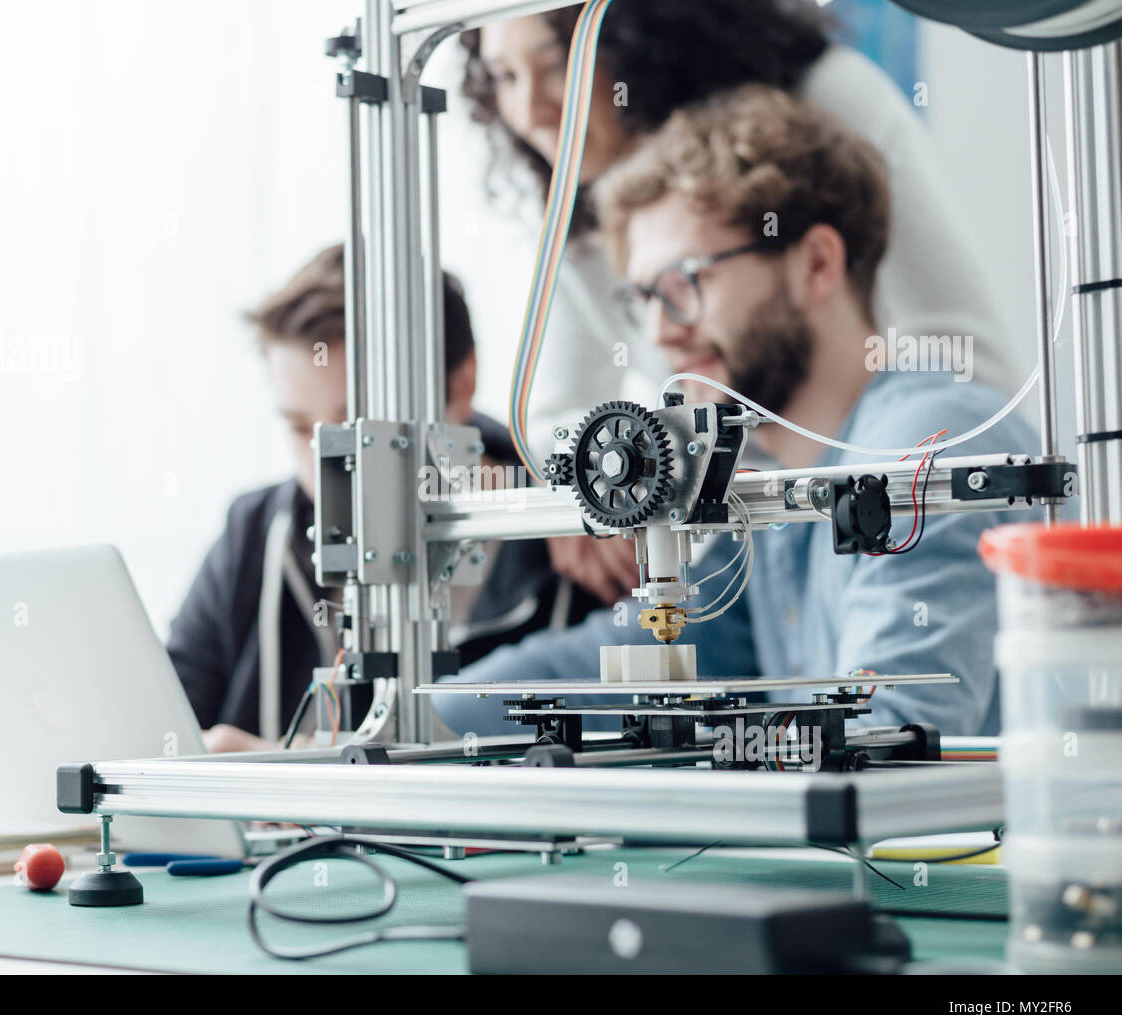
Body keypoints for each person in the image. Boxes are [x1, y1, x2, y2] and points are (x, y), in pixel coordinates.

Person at [433, 86, 1038, 741]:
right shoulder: (778, 493)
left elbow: (884, 739)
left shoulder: (923, 447)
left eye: (686, 282)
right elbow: (613, 666)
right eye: (644, 299)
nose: (661, 332)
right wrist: (416, 722)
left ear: (816, 263)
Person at [460, 0, 1023, 606]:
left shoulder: (830, 101)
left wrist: (793, 463)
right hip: (741, 565)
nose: (528, 111)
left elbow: (970, 378)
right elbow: (554, 425)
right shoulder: (582, 190)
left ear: (639, 41)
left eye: (555, 66)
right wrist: (607, 488)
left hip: (851, 526)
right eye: (504, 77)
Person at [168, 244, 601, 752]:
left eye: (355, 430)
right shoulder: (256, 533)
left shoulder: (573, 540)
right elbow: (160, 726)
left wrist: (301, 776)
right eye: (299, 427)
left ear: (460, 385)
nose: (320, 468)